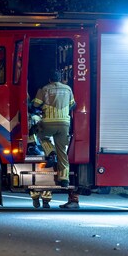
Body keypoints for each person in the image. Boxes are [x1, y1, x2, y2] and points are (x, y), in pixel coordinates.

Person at [32, 70, 77, 208]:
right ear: (59, 79)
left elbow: (36, 105)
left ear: (50, 79)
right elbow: (73, 105)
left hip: (49, 123)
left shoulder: (45, 89)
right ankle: (64, 179)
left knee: (42, 136)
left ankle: (50, 152)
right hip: (64, 124)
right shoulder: (68, 88)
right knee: (62, 151)